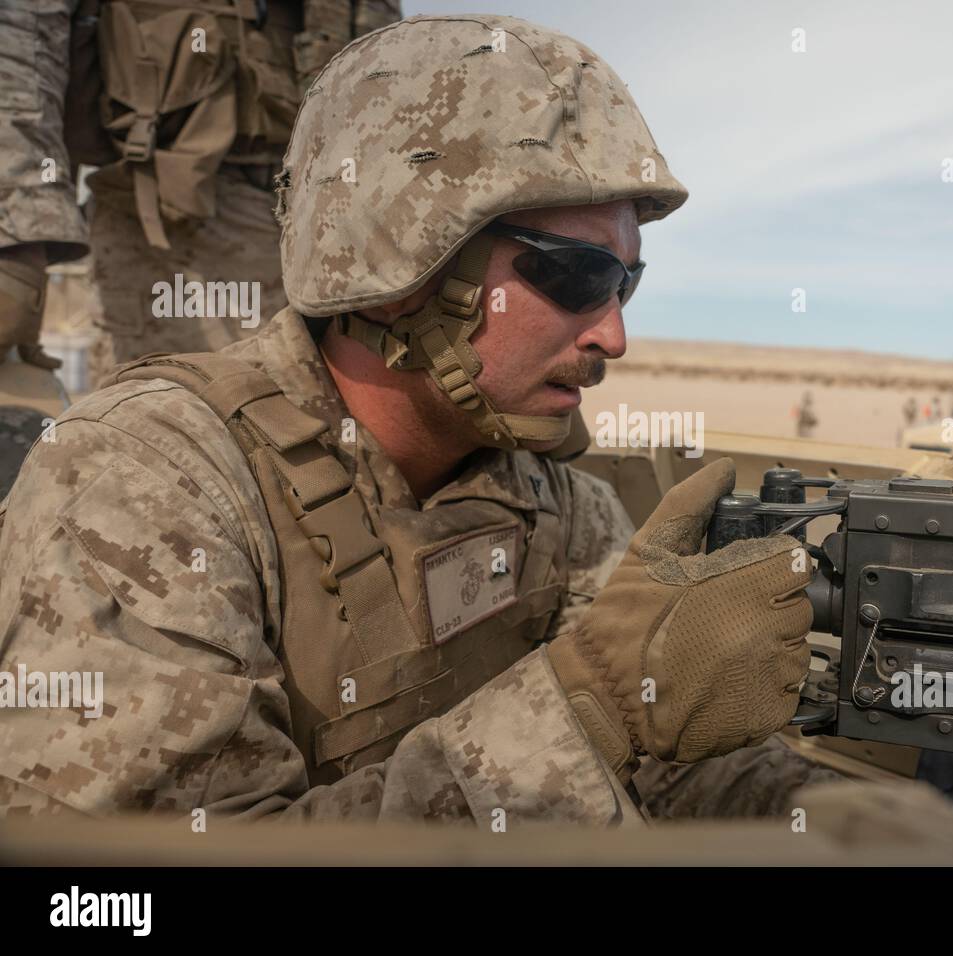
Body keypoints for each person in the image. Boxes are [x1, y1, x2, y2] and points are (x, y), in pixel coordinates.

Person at [0, 14, 876, 829]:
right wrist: (596, 706)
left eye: (626, 283)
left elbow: (663, 766)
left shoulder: (554, 503)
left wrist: (834, 818)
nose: (613, 332)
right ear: (404, 265)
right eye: (576, 277)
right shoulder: (145, 484)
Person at [0, 0, 402, 395]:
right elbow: (22, 39)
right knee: (176, 436)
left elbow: (379, 44)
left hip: (332, 208)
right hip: (173, 215)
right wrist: (21, 232)